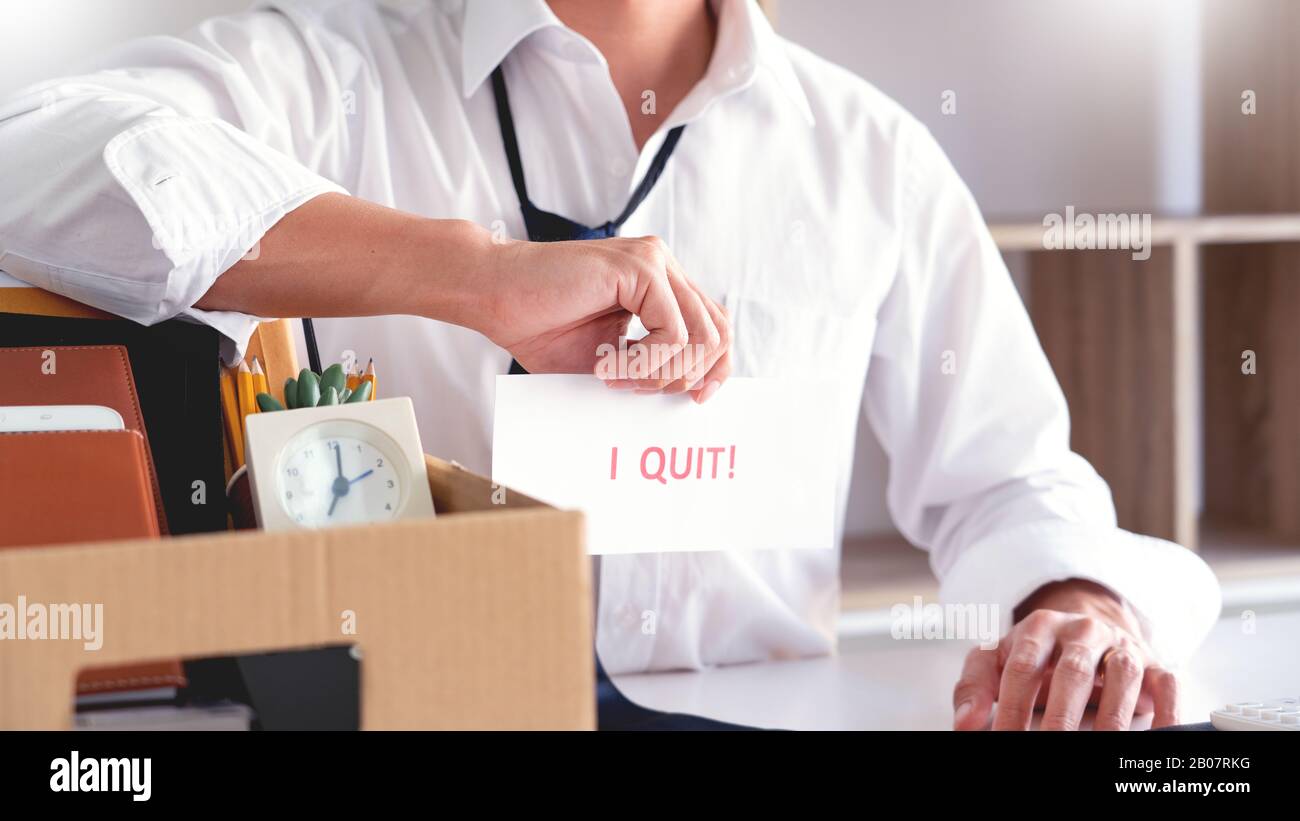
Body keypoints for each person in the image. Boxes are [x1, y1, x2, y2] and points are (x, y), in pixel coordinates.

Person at [0, 0, 1219, 730]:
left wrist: (1074, 604)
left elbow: (1008, 481)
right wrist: (463, 271)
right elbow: (27, 164)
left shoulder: (871, 155)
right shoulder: (330, 75)